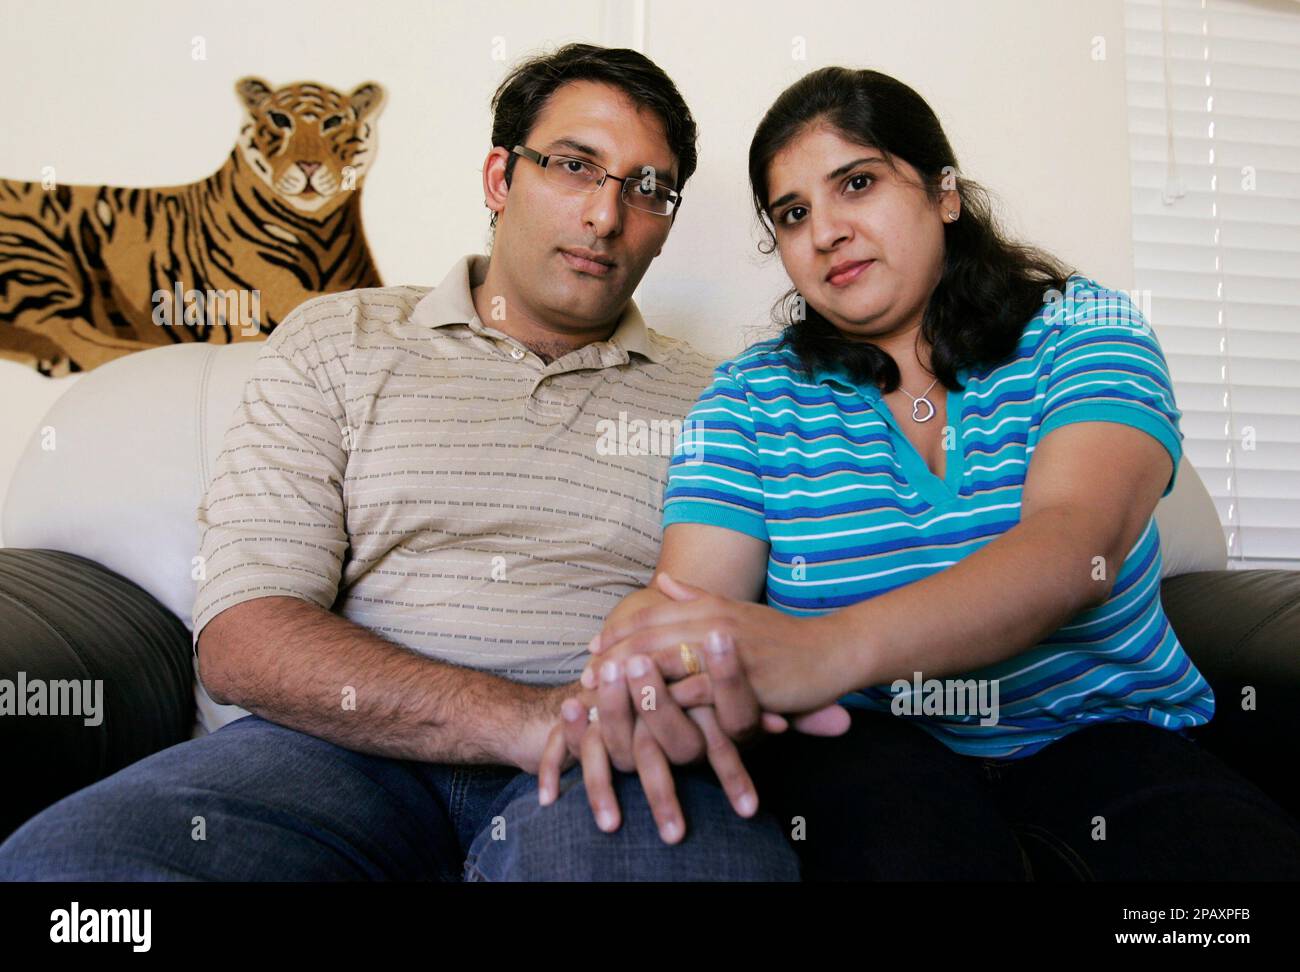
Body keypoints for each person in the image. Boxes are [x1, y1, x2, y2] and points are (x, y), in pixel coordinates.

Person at [0, 44, 828, 883]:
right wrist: (522, 719)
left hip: (603, 761)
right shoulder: (337, 340)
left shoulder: (726, 398)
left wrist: (687, 698)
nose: (606, 216)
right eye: (575, 166)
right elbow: (243, 638)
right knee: (72, 865)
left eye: (647, 188)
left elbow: (748, 635)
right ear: (500, 178)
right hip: (333, 750)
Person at [518, 66, 1300, 880]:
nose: (826, 232)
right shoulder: (749, 396)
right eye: (793, 214)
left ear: (944, 193)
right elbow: (692, 599)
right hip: (866, 750)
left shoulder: (1083, 328)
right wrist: (646, 657)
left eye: (857, 183)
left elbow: (1077, 548)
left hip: (1103, 736)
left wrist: (825, 649)